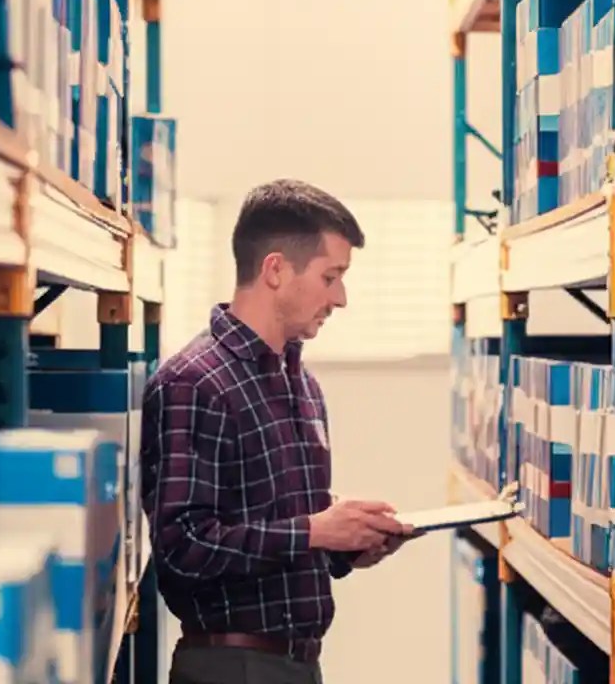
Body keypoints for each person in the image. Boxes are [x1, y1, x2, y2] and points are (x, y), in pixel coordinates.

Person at [140, 178, 414, 684]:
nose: (342, 297)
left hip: (297, 664)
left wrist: (347, 542)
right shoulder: (193, 383)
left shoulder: (301, 385)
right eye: (331, 276)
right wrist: (315, 529)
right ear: (275, 270)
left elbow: (278, 529)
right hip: (231, 667)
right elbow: (182, 546)